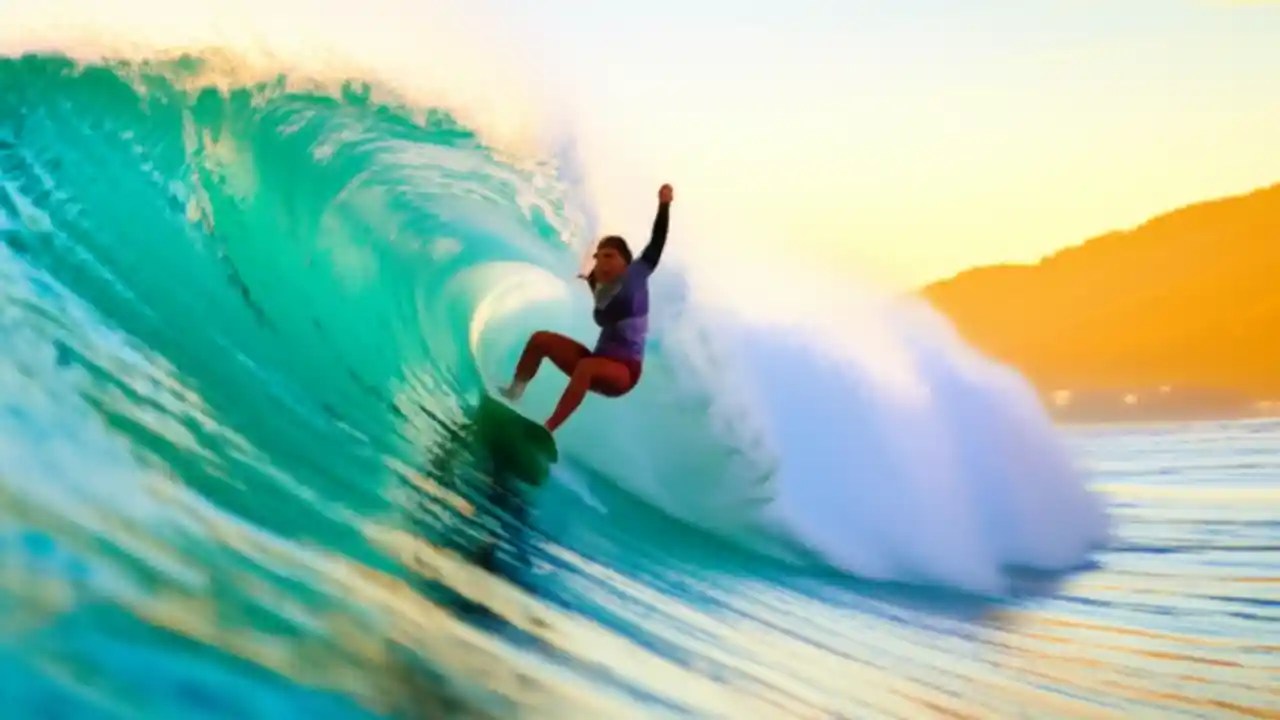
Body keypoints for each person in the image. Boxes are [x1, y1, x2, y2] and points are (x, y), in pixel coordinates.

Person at [499, 183, 674, 432]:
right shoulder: (600, 286)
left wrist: (664, 204)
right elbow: (599, 300)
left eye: (610, 256)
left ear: (626, 260)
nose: (602, 262)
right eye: (599, 257)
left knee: (586, 367)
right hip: (597, 361)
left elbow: (657, 242)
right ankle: (513, 393)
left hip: (624, 372)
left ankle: (548, 428)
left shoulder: (637, 273)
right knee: (540, 340)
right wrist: (588, 277)